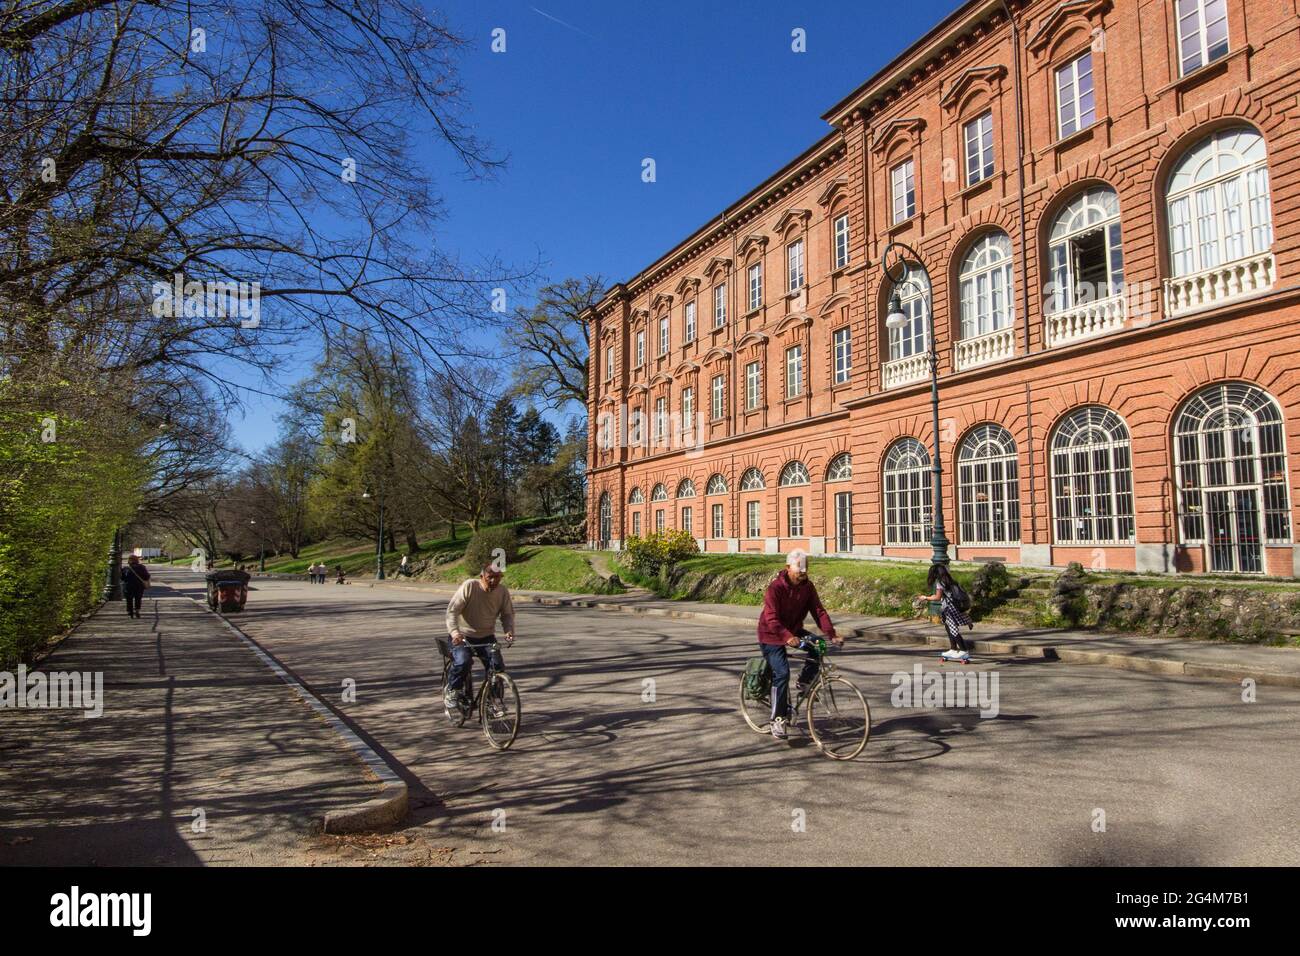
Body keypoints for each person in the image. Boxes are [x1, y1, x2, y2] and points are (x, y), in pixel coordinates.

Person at [756, 550, 843, 740]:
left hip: (793, 630)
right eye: (799, 568)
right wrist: (786, 637)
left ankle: (804, 680)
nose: (803, 572)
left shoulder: (807, 587)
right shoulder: (775, 588)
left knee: (818, 645)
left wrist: (832, 634)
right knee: (782, 673)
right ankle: (777, 720)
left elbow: (818, 611)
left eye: (805, 568)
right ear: (788, 568)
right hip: (771, 634)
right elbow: (771, 618)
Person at [442, 563, 516, 711]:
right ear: (482, 576)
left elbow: (507, 614)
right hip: (463, 636)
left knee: (497, 667)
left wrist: (509, 630)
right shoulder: (470, 586)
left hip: (487, 637)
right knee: (463, 661)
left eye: (497, 577)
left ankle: (494, 701)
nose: (494, 581)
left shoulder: (502, 592)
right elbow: (452, 612)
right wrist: (455, 633)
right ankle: (452, 690)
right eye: (490, 577)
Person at [917, 563, 972, 662]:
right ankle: (953, 649)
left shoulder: (940, 582)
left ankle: (964, 650)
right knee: (948, 627)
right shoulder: (950, 581)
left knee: (953, 629)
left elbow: (937, 597)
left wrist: (925, 597)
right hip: (955, 607)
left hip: (949, 609)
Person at [121, 553, 151, 619]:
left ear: (129, 561)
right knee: (138, 599)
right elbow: (147, 576)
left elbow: (122, 578)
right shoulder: (142, 567)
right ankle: (137, 610)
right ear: (137, 560)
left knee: (129, 599)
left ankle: (130, 612)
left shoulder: (126, 569)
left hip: (128, 586)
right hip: (139, 586)